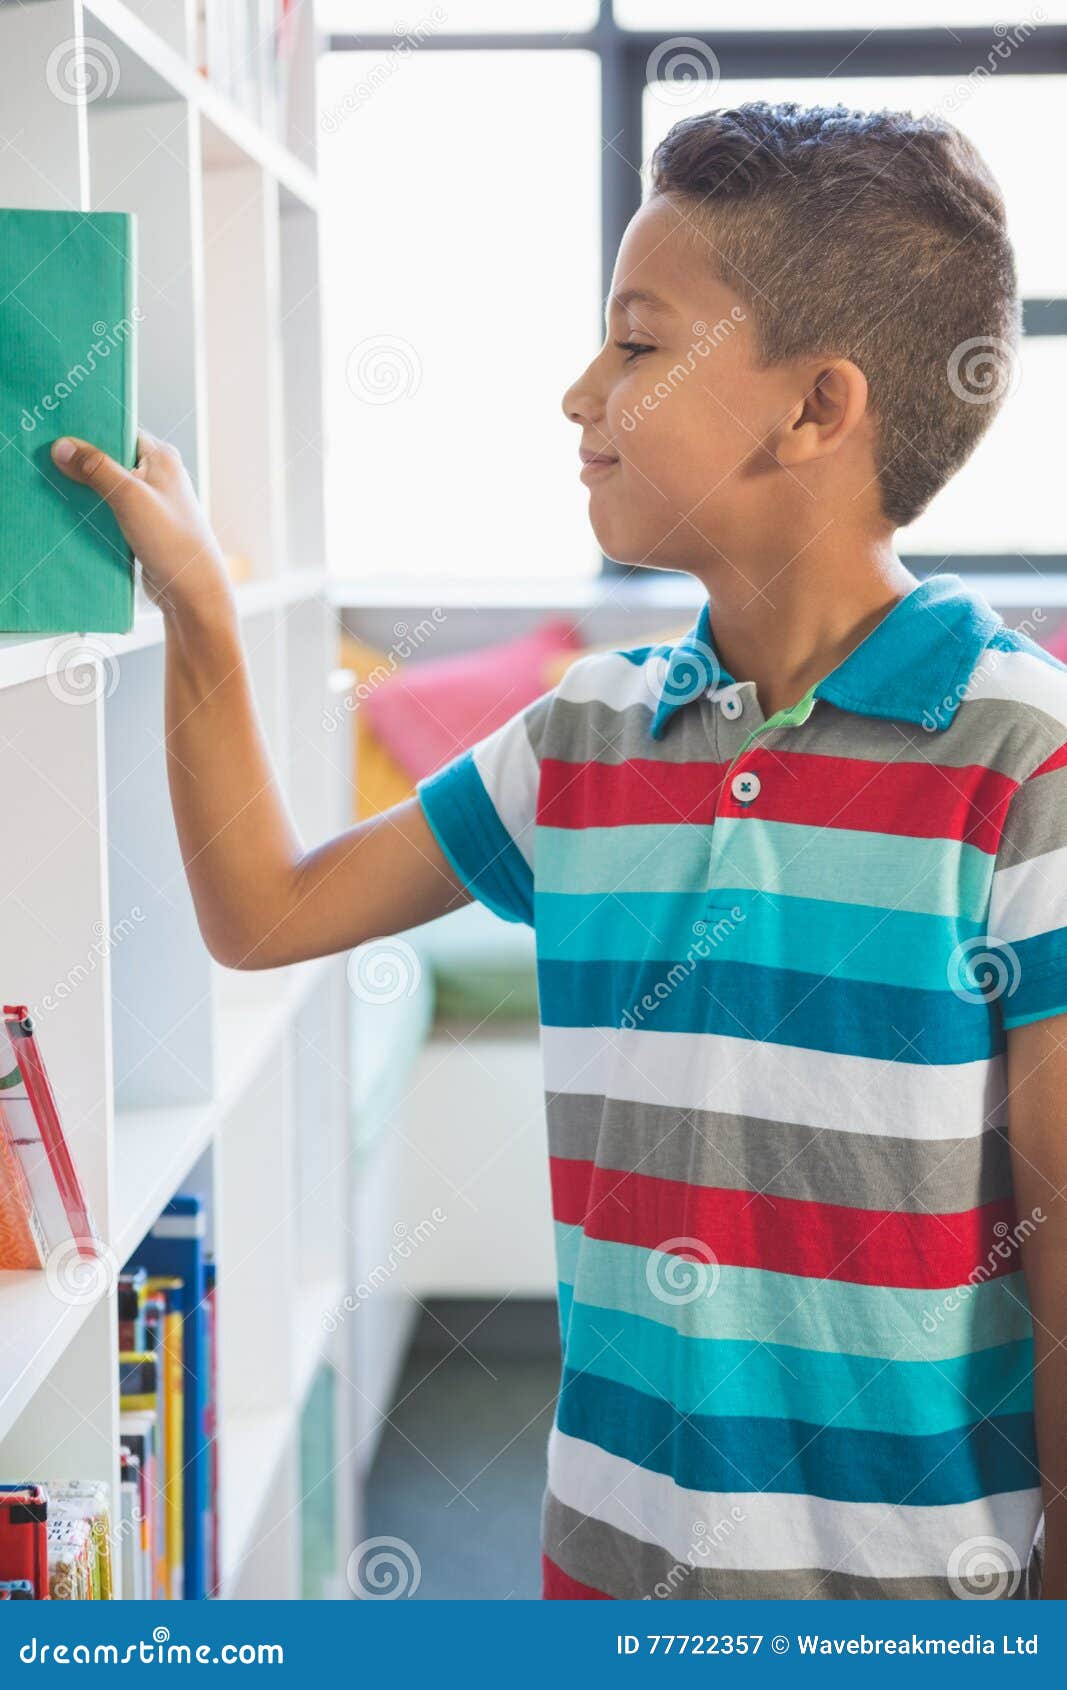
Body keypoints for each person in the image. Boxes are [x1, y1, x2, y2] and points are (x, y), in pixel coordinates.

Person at [52, 101, 1067, 1601]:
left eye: (640, 345)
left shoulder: (1021, 756)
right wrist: (201, 604)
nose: (579, 389)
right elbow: (262, 911)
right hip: (607, 1577)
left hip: (918, 1604)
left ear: (815, 408)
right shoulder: (585, 735)